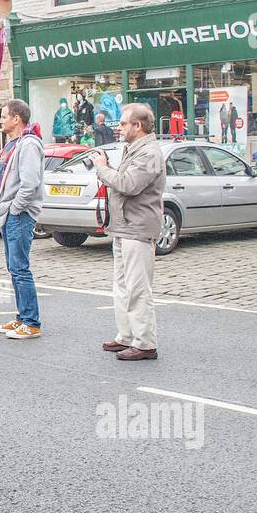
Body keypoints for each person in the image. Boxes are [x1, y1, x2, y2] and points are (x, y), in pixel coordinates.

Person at [91, 103, 166, 361]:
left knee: (137, 288)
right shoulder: (133, 150)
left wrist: (102, 168)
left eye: (123, 123)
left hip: (138, 227)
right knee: (122, 286)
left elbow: (129, 184)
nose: (119, 127)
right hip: (124, 226)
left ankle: (145, 342)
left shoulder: (149, 153)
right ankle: (126, 335)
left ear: (138, 126)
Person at [0, 100, 44, 340]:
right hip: (8, 214)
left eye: (4, 116)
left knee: (20, 268)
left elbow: (30, 183)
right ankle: (22, 317)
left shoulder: (29, 144)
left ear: (17, 119)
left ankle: (31, 322)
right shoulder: (12, 144)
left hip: (19, 216)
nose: (1, 120)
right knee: (14, 268)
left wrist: (14, 209)